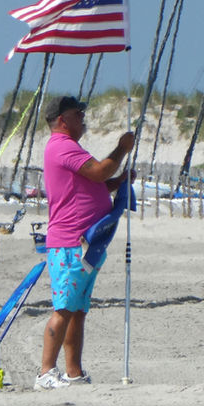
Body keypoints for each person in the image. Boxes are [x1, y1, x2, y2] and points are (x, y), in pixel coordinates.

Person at [35, 95, 134, 390]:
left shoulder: (70, 148)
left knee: (78, 310)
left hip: (86, 242)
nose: (83, 119)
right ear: (62, 120)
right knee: (65, 307)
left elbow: (97, 182)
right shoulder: (62, 146)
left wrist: (120, 181)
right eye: (78, 114)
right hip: (69, 242)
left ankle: (73, 371)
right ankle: (45, 372)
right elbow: (100, 170)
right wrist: (122, 148)